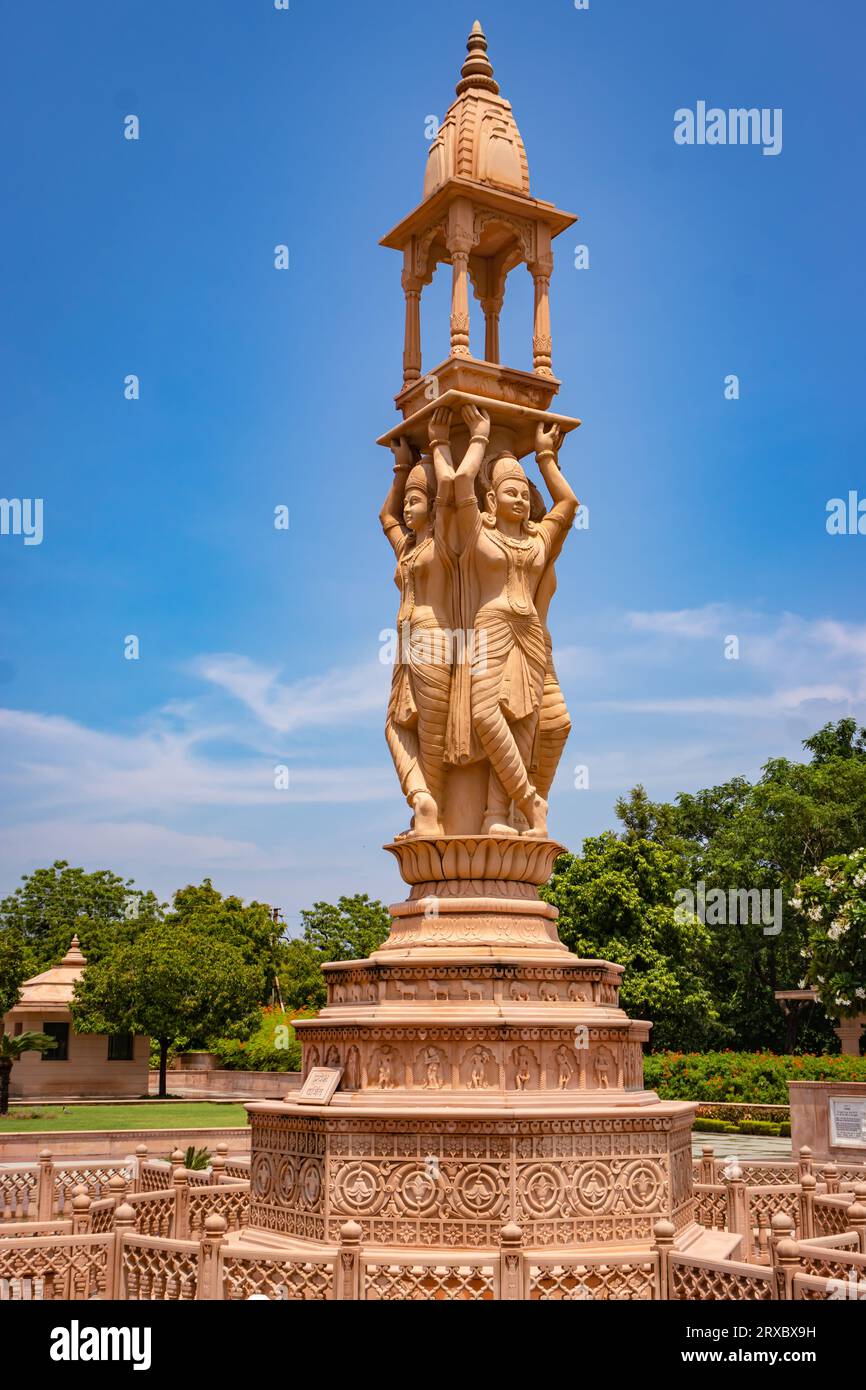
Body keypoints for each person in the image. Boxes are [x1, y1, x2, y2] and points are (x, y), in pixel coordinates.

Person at [444, 404, 578, 836]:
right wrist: (478, 436)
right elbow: (460, 480)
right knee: (486, 713)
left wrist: (544, 458)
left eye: (523, 493)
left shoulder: (539, 538)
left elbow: (568, 502)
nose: (519, 499)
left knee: (526, 718)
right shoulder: (477, 534)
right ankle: (530, 801)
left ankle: (498, 814)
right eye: (510, 492)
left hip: (530, 633)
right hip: (490, 627)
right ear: (491, 499)